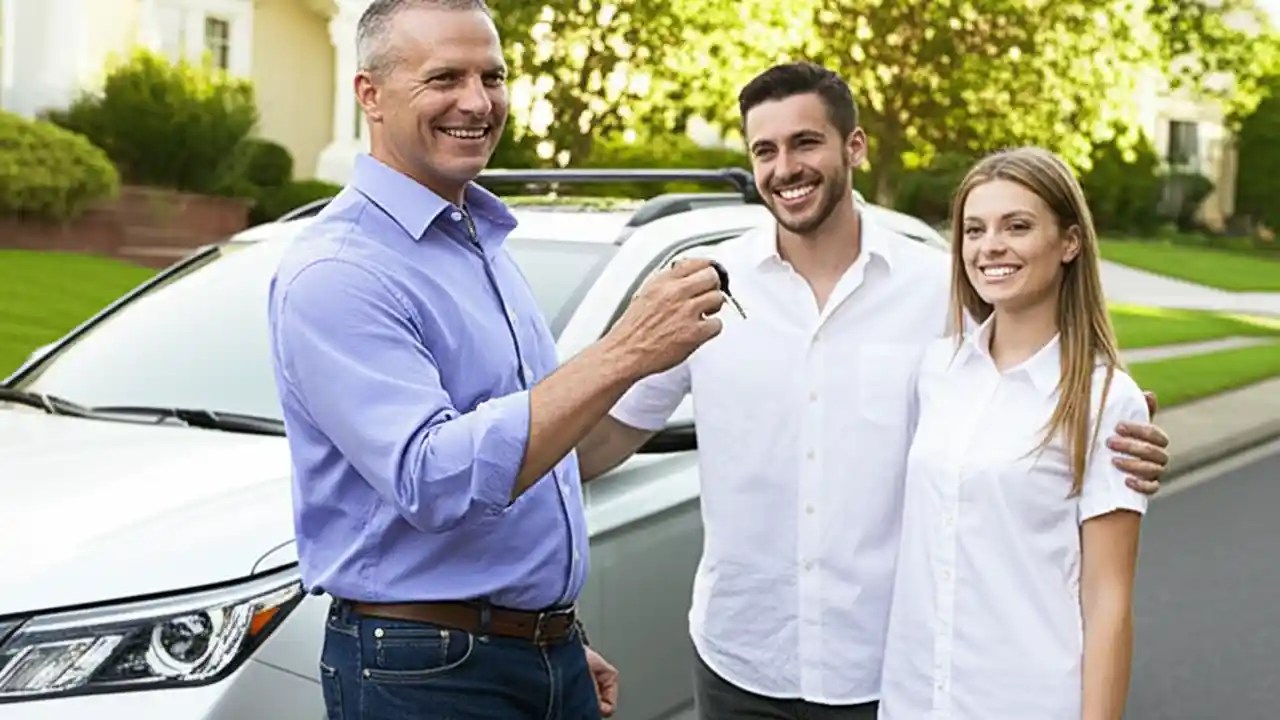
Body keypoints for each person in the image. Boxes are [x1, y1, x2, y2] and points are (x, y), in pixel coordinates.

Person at [576, 62, 1171, 719]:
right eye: (764, 151)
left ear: (853, 147)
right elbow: (604, 438)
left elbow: (1035, 374)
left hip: (887, 670)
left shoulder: (940, 289)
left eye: (805, 143)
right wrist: (518, 459)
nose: (785, 168)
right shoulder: (708, 287)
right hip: (739, 659)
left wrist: (1118, 421)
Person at [265, 1, 729, 718]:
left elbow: (546, 453)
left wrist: (543, 639)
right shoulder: (339, 271)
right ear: (369, 95)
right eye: (444, 77)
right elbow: (434, 477)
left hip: (531, 653)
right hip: (425, 673)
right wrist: (627, 348)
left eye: (494, 76)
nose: (477, 103)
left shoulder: (479, 243)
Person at [877, 146, 1150, 719]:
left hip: (1027, 701)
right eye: (974, 230)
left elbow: (1108, 601)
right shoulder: (935, 371)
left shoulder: (1107, 398)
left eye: (1017, 226)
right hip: (916, 699)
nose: (990, 246)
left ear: (1069, 242)